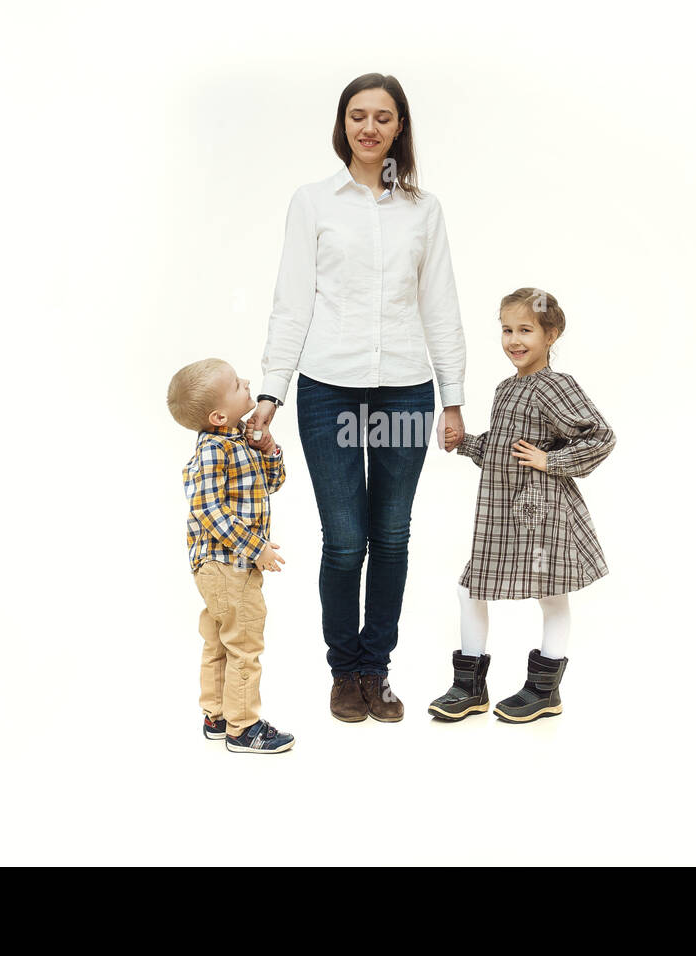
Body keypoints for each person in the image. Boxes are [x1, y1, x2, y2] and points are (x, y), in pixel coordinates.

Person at [247, 73, 467, 723]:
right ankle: (344, 672)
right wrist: (269, 392)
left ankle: (379, 669)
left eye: (383, 117)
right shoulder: (313, 203)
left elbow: (441, 306)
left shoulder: (423, 210)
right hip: (328, 393)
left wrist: (452, 396)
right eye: (357, 116)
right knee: (345, 541)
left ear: (400, 128)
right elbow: (292, 302)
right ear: (342, 124)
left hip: (403, 393)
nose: (369, 128)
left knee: (391, 536)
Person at [431, 288, 616, 723]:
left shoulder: (557, 385)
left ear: (551, 335)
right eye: (507, 330)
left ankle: (544, 690)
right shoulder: (506, 387)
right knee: (470, 587)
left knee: (551, 594)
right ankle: (469, 687)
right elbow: (503, 449)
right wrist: (465, 444)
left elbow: (601, 436)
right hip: (501, 513)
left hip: (543, 510)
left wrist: (552, 460)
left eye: (525, 330)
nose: (514, 340)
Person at [168, 357, 294, 753]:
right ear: (219, 415)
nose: (247, 383)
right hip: (226, 565)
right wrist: (255, 548)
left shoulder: (239, 440)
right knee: (245, 643)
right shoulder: (212, 452)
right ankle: (244, 728)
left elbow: (272, 484)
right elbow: (206, 509)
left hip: (230, 565)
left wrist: (268, 446)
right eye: (238, 384)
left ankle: (217, 715)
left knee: (221, 640)